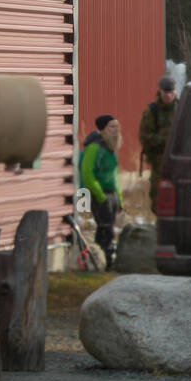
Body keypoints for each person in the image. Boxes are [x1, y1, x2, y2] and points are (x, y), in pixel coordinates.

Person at [80, 114, 123, 270]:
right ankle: (100, 261)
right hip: (99, 194)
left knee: (109, 229)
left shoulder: (111, 149)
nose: (116, 130)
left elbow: (115, 176)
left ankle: (104, 262)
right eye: (111, 127)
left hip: (111, 195)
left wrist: (120, 199)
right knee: (104, 228)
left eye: (117, 126)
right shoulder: (94, 148)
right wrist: (100, 195)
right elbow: (86, 174)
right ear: (103, 130)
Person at [139, 75, 178, 206]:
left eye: (171, 92)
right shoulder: (152, 111)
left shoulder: (181, 109)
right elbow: (144, 136)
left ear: (175, 92)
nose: (168, 95)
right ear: (160, 91)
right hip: (159, 162)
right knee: (158, 200)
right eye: (165, 92)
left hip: (179, 163)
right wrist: (165, 140)